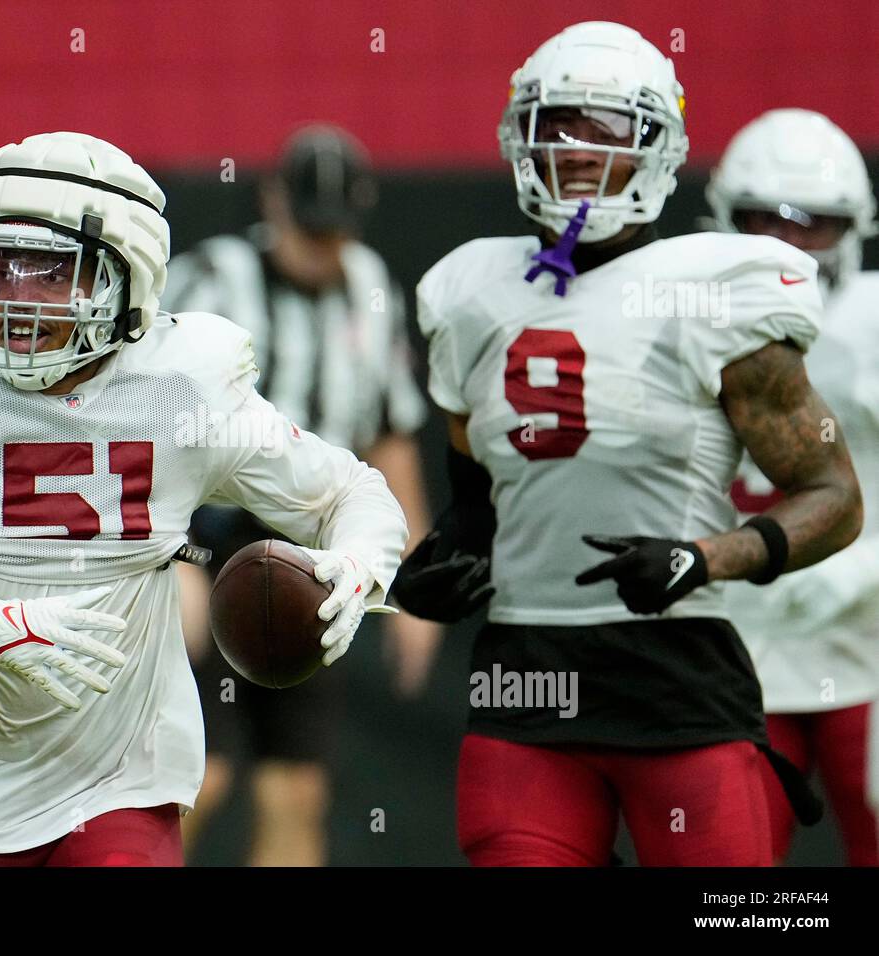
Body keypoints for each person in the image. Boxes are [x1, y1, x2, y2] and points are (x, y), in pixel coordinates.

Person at [0, 131, 408, 867]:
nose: (14, 298)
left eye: (48, 272)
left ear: (123, 277)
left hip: (118, 781)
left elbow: (350, 490)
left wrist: (357, 566)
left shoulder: (179, 389)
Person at [398, 21, 863, 866]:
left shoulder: (719, 292)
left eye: (607, 129)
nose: (578, 150)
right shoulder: (470, 293)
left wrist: (704, 557)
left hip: (676, 682)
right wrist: (441, 559)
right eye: (559, 126)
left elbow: (835, 498)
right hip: (526, 680)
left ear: (658, 146)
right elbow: (477, 509)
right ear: (520, 142)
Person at [161, 124, 436, 865]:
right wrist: (168, 554)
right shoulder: (212, 278)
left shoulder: (371, 287)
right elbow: (147, 421)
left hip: (315, 560)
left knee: (297, 790)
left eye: (334, 233)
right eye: (309, 230)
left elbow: (389, 434)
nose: (322, 250)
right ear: (273, 200)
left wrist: (406, 571)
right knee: (197, 778)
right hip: (208, 541)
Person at [708, 108, 879, 866]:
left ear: (855, 226)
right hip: (735, 651)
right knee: (733, 885)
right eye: (767, 220)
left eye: (816, 223)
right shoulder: (683, 315)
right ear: (725, 218)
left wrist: (863, 567)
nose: (790, 244)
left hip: (870, 648)